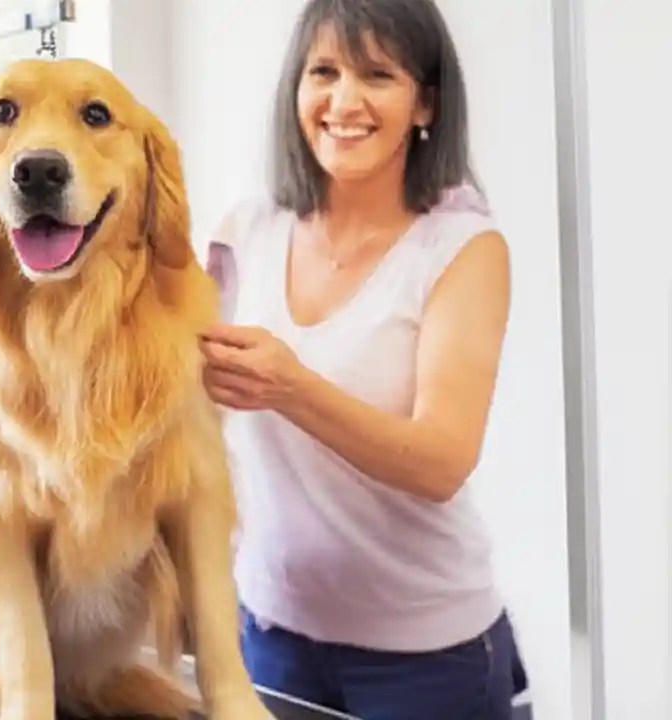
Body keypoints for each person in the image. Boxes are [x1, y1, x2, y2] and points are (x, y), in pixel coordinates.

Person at [198, 0, 529, 718]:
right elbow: (173, 389)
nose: (343, 101)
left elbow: (441, 461)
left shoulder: (463, 249)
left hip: (427, 659)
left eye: (377, 74)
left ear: (425, 104)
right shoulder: (247, 228)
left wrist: (292, 386)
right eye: (324, 72)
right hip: (270, 634)